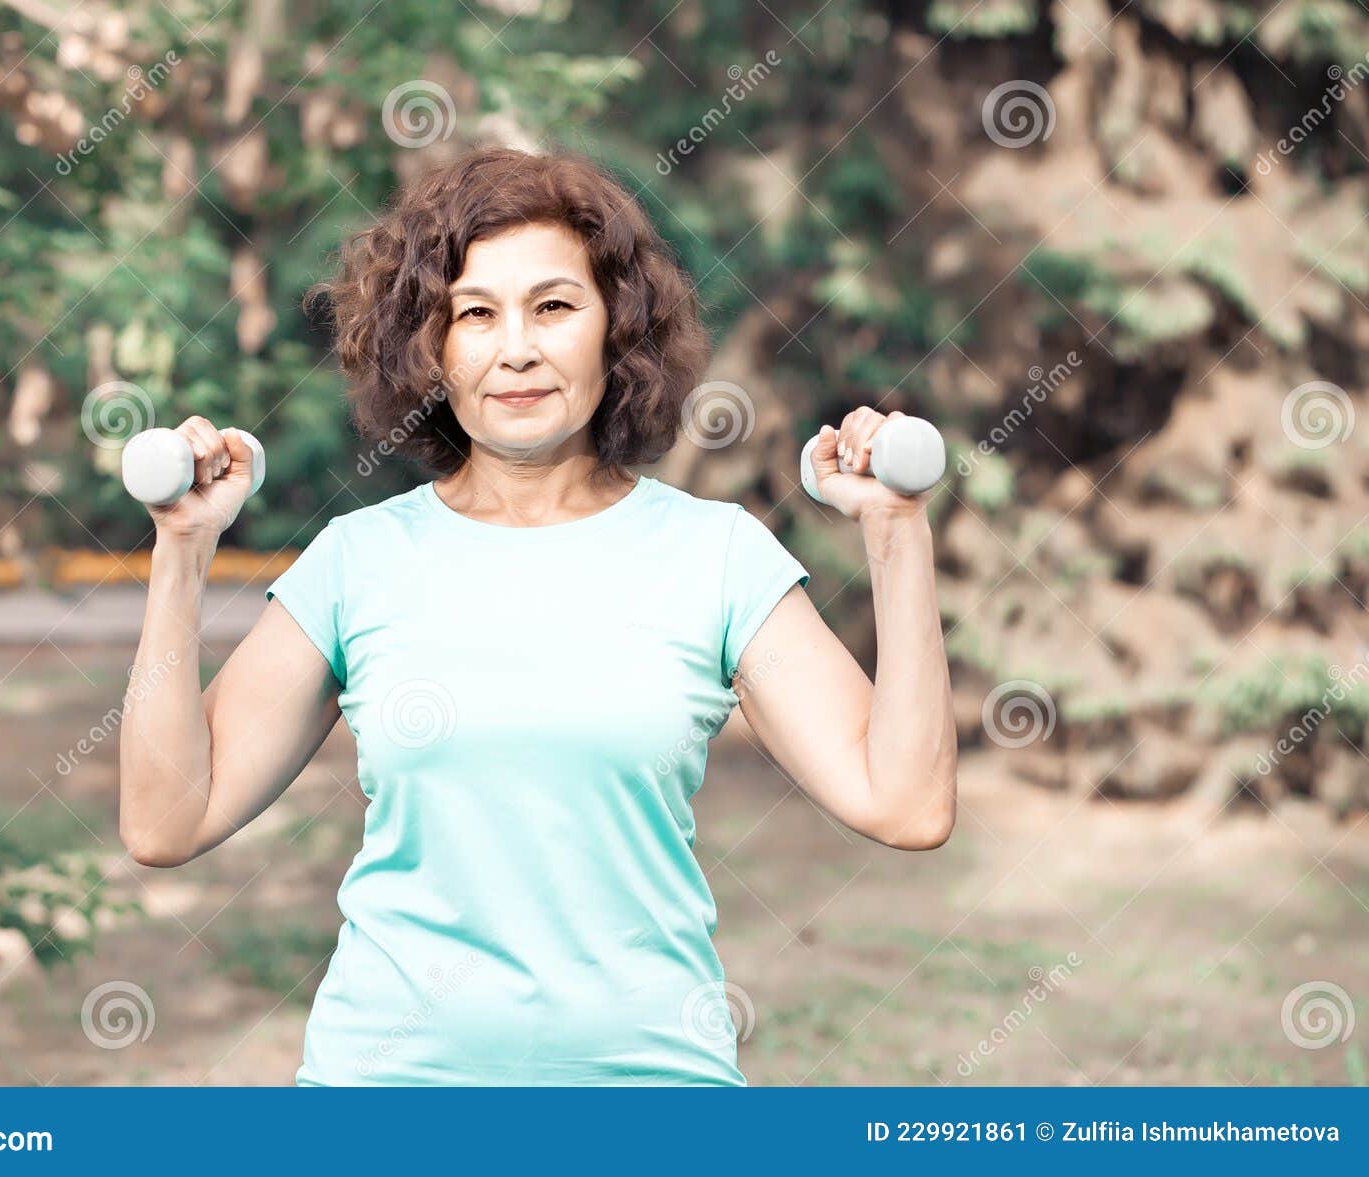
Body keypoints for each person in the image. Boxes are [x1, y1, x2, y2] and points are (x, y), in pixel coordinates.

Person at [118, 145, 957, 1086]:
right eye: (475, 314)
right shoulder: (359, 561)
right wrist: (182, 551)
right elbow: (164, 821)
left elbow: (907, 803)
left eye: (553, 307)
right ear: (433, 348)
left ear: (616, 329)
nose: (515, 347)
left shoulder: (715, 556)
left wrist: (897, 533)